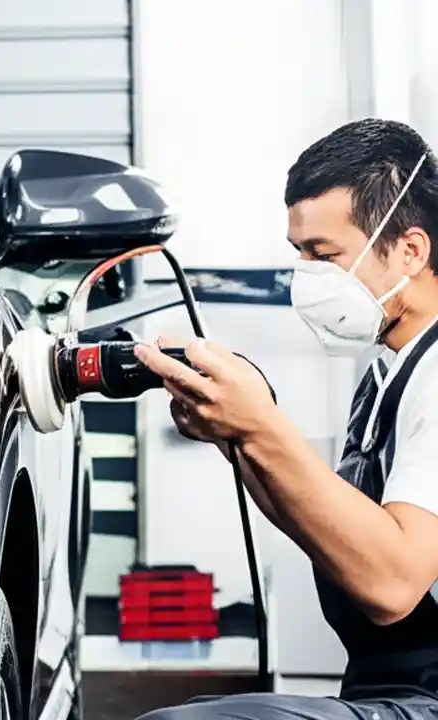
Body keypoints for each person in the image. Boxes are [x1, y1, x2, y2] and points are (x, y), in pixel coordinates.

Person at [135, 118, 438, 720]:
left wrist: (261, 429)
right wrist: (238, 434)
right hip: (389, 689)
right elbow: (331, 532)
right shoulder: (387, 373)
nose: (307, 277)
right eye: (300, 254)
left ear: (410, 249)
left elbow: (392, 583)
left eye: (323, 256)